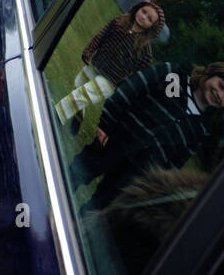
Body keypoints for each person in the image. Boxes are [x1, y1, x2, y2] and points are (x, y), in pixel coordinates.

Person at [70, 61, 224, 213]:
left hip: (135, 174)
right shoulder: (174, 77)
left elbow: (177, 162)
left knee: (98, 206)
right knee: (76, 174)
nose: (220, 95)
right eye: (221, 85)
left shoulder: (203, 128)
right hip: (114, 140)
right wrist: (107, 122)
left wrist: (153, 180)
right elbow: (131, 89)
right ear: (211, 72)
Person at [55, 1, 166, 133]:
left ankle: (56, 115)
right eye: (144, 11)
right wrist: (89, 51)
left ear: (152, 27)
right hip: (97, 64)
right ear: (138, 8)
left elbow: (137, 74)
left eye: (149, 19)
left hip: (111, 81)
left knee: (83, 94)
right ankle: (78, 118)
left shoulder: (145, 51)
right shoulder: (119, 22)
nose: (144, 17)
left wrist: (124, 88)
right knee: (78, 85)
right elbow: (101, 35)